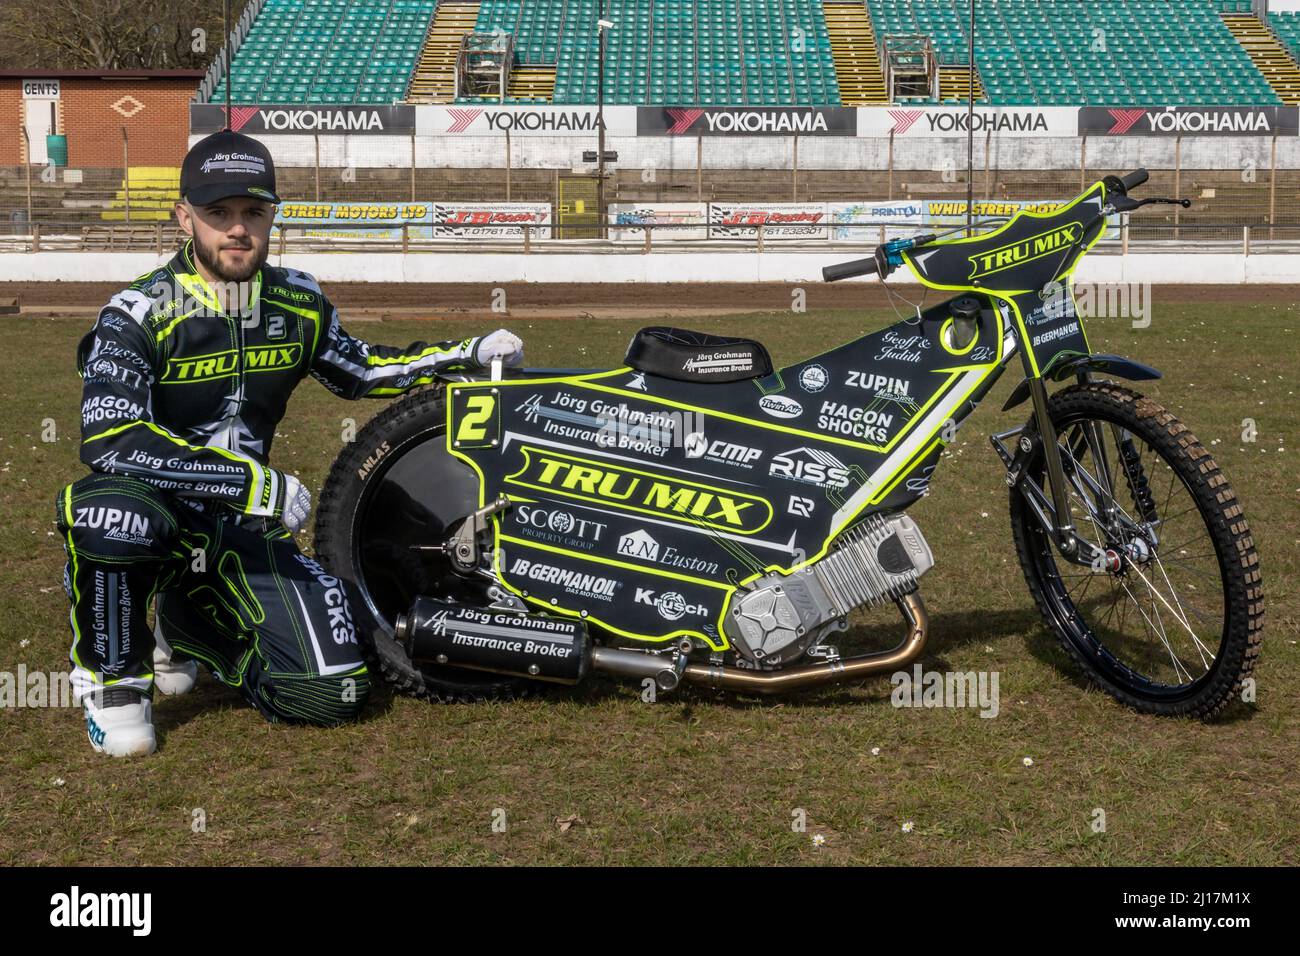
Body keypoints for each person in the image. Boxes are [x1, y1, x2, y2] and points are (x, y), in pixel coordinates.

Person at [56, 128, 524, 756]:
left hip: (242, 530)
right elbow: (111, 439)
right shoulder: (136, 312)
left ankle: (189, 620)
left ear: (273, 215)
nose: (237, 229)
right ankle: (113, 680)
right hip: (157, 511)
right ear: (184, 216)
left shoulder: (298, 300)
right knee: (106, 511)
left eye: (253, 212)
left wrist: (464, 353)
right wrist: (250, 483)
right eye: (217, 213)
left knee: (331, 692)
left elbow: (359, 371)